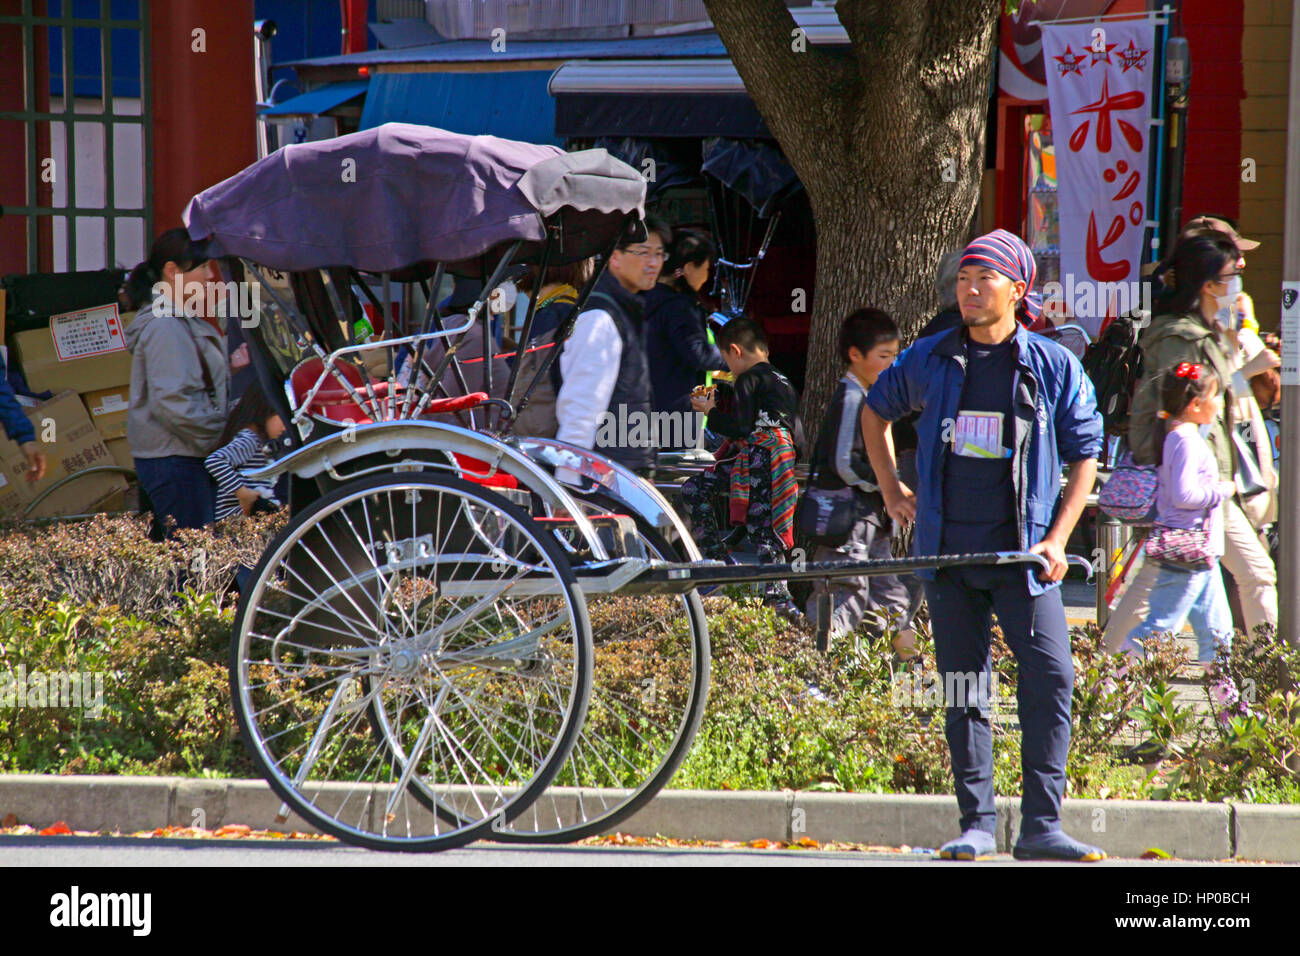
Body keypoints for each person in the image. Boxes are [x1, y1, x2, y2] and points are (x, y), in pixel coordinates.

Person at [862, 229, 1106, 862]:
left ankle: (1040, 827)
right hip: (949, 557)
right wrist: (892, 491)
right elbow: (876, 410)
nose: (969, 290)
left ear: (1018, 291)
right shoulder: (931, 357)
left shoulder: (1054, 365)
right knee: (965, 689)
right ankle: (975, 824)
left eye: (984, 279)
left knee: (1050, 679)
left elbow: (1086, 455)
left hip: (1025, 560)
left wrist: (1057, 539)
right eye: (964, 280)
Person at [1109, 232, 1278, 644]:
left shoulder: (1206, 330)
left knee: (1180, 583)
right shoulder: (1180, 338)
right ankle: (1270, 677)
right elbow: (1177, 406)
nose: (1238, 280)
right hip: (1189, 481)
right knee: (1250, 574)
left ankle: (1108, 669)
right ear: (1207, 284)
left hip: (1204, 478)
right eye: (1231, 274)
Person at [803, 308, 918, 657]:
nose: (891, 365)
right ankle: (812, 671)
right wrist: (888, 486)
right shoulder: (853, 398)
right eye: (884, 356)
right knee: (845, 594)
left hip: (869, 522)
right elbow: (844, 462)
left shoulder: (866, 397)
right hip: (849, 522)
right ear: (855, 355)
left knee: (891, 599)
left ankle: (912, 677)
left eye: (894, 357)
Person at [1120, 364, 1236, 670]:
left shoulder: (1179, 435)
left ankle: (1230, 711)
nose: (1220, 404)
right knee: (1159, 630)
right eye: (1216, 397)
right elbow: (1184, 496)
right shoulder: (1184, 441)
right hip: (1187, 549)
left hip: (1200, 549)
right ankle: (1107, 689)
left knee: (1219, 634)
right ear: (1196, 405)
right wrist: (1222, 490)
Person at [122, 228, 230, 539]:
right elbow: (175, 401)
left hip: (177, 454)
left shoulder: (178, 318)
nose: (211, 276)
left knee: (181, 560)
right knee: (192, 566)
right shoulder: (166, 325)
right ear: (172, 272)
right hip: (177, 458)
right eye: (203, 267)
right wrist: (219, 438)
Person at [683, 317, 800, 599]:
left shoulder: (749, 377)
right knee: (766, 532)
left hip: (761, 457)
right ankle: (772, 594)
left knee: (763, 532)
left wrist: (709, 411)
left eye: (726, 361)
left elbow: (740, 427)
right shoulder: (783, 381)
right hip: (781, 458)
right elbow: (795, 430)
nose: (729, 370)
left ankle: (722, 566)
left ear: (735, 351)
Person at [554, 216, 669, 477]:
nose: (654, 264)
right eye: (643, 253)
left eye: (660, 254)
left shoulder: (626, 309)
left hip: (624, 468)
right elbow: (582, 405)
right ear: (615, 258)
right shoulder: (600, 317)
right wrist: (569, 479)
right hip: (604, 474)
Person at [642, 230, 728, 451]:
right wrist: (731, 357)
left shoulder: (643, 300)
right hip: (677, 417)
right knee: (677, 480)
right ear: (689, 268)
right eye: (706, 269)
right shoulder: (679, 308)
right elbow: (697, 352)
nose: (707, 277)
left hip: (644, 412)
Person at [205, 383, 286, 522]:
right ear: (264, 411)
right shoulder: (250, 439)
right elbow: (215, 461)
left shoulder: (263, 444)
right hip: (236, 524)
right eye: (282, 416)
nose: (285, 425)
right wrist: (243, 493)